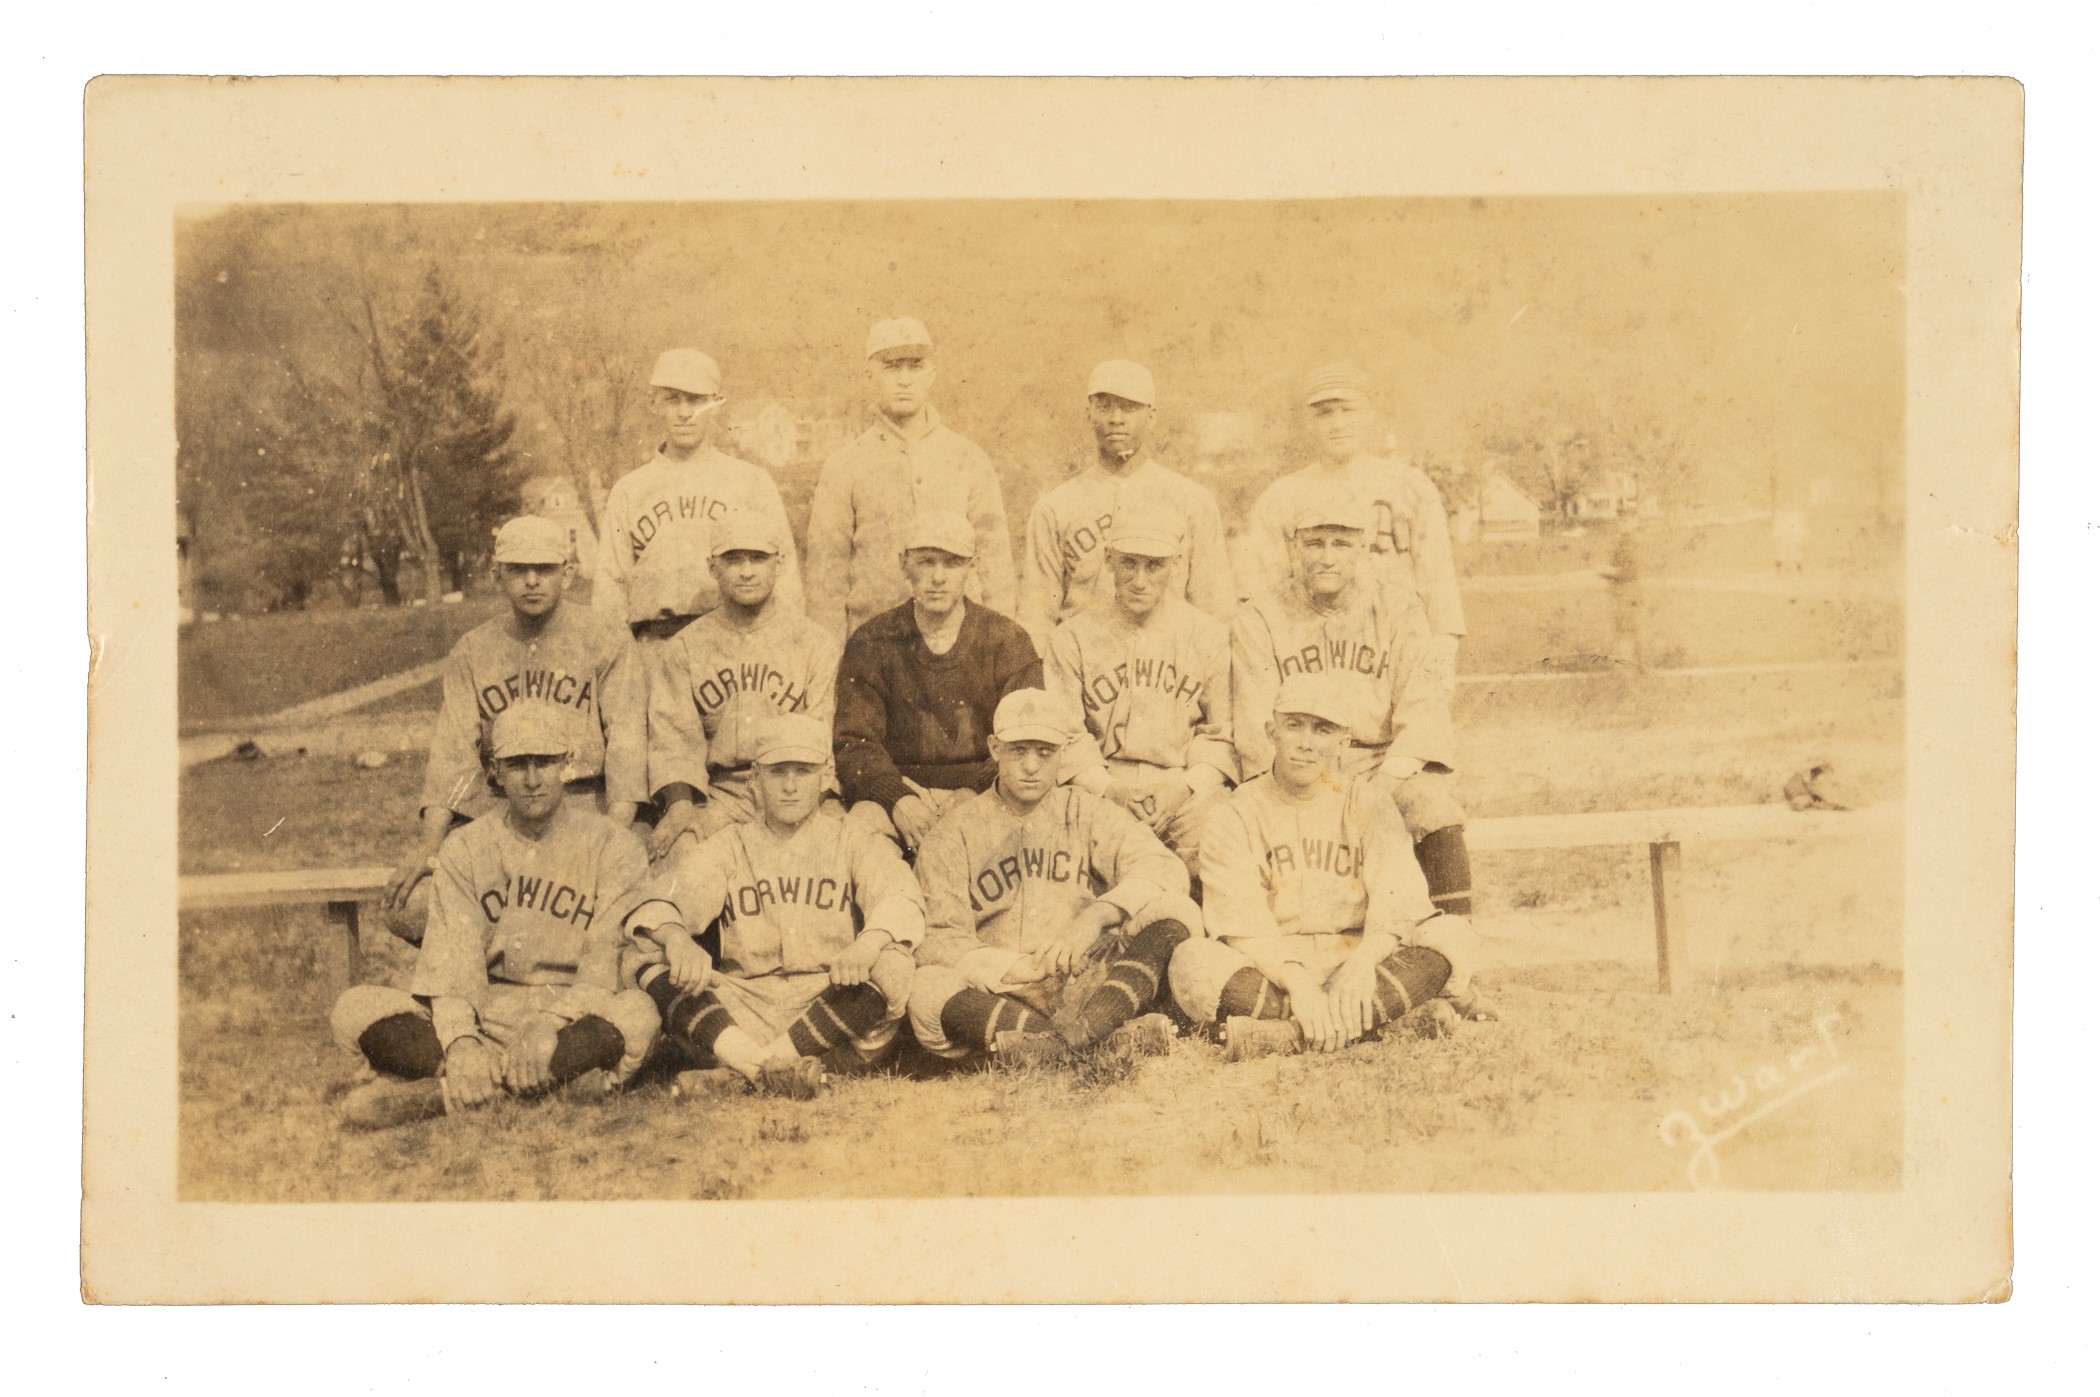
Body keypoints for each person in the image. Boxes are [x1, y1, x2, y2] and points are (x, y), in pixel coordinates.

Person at [331, 705, 671, 1129]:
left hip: (572, 1016)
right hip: (488, 1012)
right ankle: (539, 1083)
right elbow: (453, 967)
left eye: (544, 762)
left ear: (566, 765)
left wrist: (549, 1025)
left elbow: (603, 970)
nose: (532, 779)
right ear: (495, 771)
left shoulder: (613, 846)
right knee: (353, 1007)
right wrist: (461, 1044)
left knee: (640, 1013)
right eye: (517, 764)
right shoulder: (466, 847)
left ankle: (441, 1096)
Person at [1168, 673, 1492, 1060]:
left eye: (1322, 730)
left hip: (1356, 957)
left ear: (1344, 741)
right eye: (1294, 726)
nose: (1305, 743)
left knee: (1453, 934)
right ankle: (1385, 1021)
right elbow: (1241, 927)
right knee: (1191, 964)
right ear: (1272, 732)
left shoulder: (1370, 804)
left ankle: (1285, 1036)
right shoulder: (1234, 814)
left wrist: (1362, 965)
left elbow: (1400, 905)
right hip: (1275, 968)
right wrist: (1299, 984)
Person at [381, 515, 645, 944]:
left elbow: (628, 744)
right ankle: (507, 976)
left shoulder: (605, 639)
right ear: (495, 576)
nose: (532, 581)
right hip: (502, 813)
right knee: (410, 905)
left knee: (626, 904)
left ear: (569, 572)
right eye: (518, 570)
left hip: (586, 805)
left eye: (545, 569)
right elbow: (453, 754)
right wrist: (430, 843)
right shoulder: (473, 650)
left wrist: (613, 835)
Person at [630, 715, 925, 1099]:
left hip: (829, 1003)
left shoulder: (851, 839)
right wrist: (678, 941)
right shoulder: (730, 844)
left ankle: (748, 1070)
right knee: (646, 958)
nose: (789, 786)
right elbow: (663, 903)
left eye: (802, 772)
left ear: (825, 776)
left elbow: (901, 897)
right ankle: (774, 1068)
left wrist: (866, 946)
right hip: (745, 1007)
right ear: (755, 778)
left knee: (895, 962)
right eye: (777, 772)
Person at [906, 689, 1199, 1065]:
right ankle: (1096, 1041)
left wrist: (1094, 918)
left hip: (1087, 979)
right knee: (926, 988)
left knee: (1174, 908)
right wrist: (1010, 967)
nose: (1032, 765)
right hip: (1005, 990)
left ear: (1062, 753)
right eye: (1018, 750)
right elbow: (938, 937)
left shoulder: (1087, 811)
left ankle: (1055, 1047)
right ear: (995, 748)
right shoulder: (955, 831)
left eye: (1045, 752)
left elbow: (1163, 867)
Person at [1231, 494, 1476, 917]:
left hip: (1379, 766)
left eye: (1341, 544)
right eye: (1315, 543)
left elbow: (1424, 706)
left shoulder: (1398, 609)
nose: (1327, 557)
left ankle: (1455, 943)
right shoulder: (1260, 617)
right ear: (1294, 548)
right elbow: (1255, 725)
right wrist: (1308, 786)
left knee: (1434, 807)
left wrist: (1379, 787)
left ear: (1362, 549)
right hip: (1296, 767)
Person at [1242, 363, 1465, 693]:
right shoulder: (1281, 497)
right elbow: (1261, 599)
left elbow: (1439, 590)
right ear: (1308, 422)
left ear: (1371, 414)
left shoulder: (1410, 486)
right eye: (1324, 413)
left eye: (1348, 410)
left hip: (1397, 653)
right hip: (1313, 657)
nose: (1338, 424)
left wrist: (1439, 674)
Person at [1043, 502, 1236, 876]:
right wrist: (1111, 790)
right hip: (1100, 783)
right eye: (1129, 563)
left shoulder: (1207, 634)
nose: (1140, 580)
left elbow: (1220, 734)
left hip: (1182, 786)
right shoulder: (1072, 637)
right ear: (1109, 560)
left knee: (1221, 836)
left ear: (1175, 564)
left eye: (1155, 565)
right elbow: (1066, 737)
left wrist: (1181, 789)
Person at [834, 510, 1043, 853]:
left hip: (988, 792)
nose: (937, 577)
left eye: (952, 563)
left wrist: (973, 792)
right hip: (898, 796)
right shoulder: (872, 641)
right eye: (925, 562)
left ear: (972, 566)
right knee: (861, 837)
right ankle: (897, 906)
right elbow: (854, 742)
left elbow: (1026, 733)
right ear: (904, 563)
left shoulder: (1007, 640)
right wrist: (897, 797)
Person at [643, 510, 843, 860]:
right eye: (733, 560)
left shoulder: (815, 643)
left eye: (758, 558)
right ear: (712, 567)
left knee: (831, 854)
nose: (747, 571)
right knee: (680, 854)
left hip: (797, 789)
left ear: (778, 563)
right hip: (720, 795)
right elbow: (673, 740)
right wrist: (680, 806)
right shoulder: (686, 647)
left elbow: (823, 737)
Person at [803, 317, 1017, 638]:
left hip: (959, 646)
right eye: (891, 367)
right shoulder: (844, 466)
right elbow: (826, 581)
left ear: (931, 374)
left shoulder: (968, 458)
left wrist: (998, 653)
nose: (904, 379)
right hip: (875, 648)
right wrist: (832, 664)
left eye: (915, 367)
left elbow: (995, 566)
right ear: (869, 374)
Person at [1018, 359, 1234, 649]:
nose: (1116, 418)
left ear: (1152, 416)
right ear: (1089, 413)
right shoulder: (1056, 507)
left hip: (1169, 666)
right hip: (1084, 665)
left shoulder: (1191, 501)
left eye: (1130, 407)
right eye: (1104, 406)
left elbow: (1213, 610)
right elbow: (1037, 618)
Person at [594, 348, 803, 641]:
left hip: (735, 643)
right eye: (672, 400)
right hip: (655, 645)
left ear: (716, 404)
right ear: (654, 404)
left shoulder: (751, 482)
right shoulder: (630, 490)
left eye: (696, 400)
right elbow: (610, 590)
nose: (684, 413)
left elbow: (785, 577)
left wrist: (784, 649)